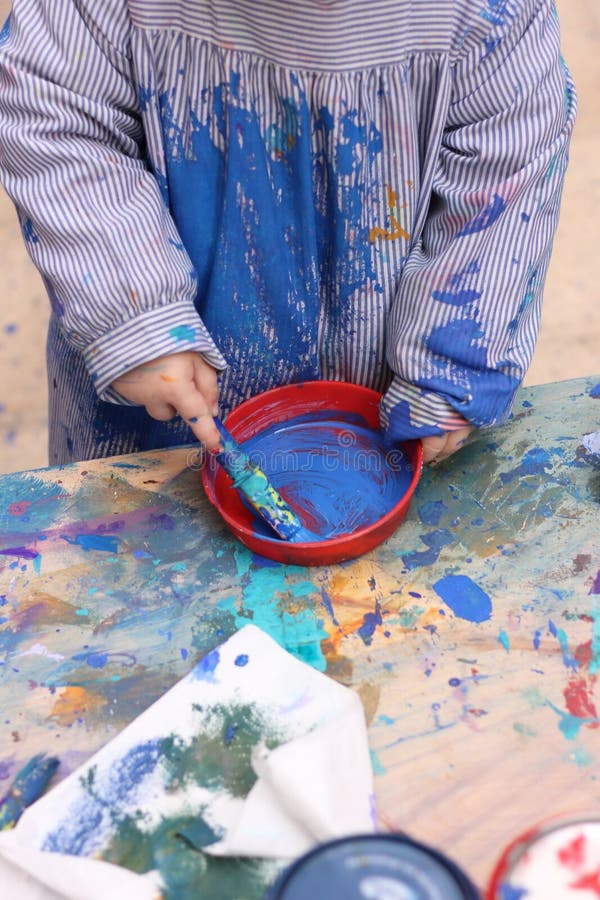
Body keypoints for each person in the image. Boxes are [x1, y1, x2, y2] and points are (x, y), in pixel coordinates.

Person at [0, 0, 576, 466]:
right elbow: (56, 114)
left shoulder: (492, 14)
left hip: (377, 403)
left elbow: (505, 176)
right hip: (158, 395)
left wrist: (449, 366)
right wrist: (131, 315)